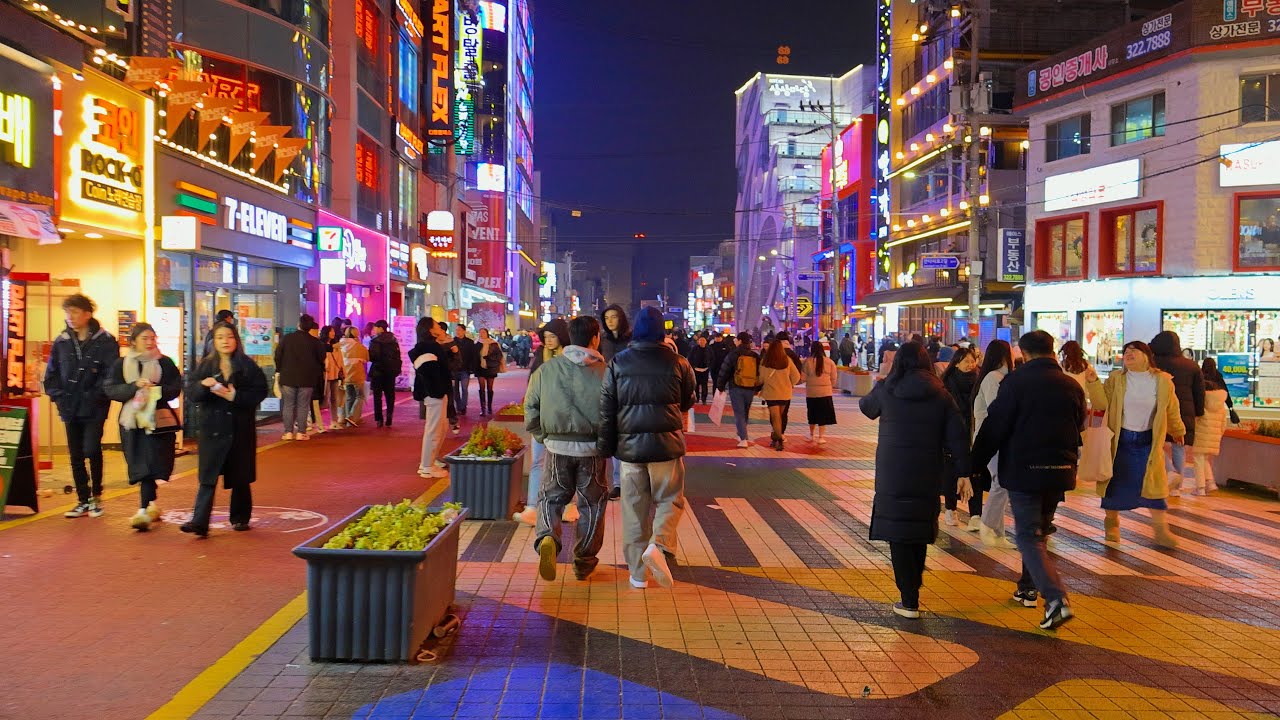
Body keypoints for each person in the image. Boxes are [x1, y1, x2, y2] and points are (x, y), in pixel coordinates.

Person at [971, 330, 1086, 630]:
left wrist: (973, 465)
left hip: (1025, 470)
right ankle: (1028, 588)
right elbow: (1079, 426)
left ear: (1023, 353)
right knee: (1040, 533)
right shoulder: (1071, 385)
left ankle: (1056, 598)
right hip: (1060, 471)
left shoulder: (1015, 383)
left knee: (1028, 536)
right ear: (1052, 350)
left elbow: (994, 426)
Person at [859, 342, 971, 619]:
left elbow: (867, 408)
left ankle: (908, 598)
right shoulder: (940, 393)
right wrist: (964, 472)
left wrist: (880, 384)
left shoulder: (888, 388)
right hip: (927, 471)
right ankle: (913, 591)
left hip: (892, 472)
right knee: (918, 530)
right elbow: (958, 436)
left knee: (898, 533)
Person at [600, 307, 696, 589]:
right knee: (670, 499)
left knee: (633, 508)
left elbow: (607, 408)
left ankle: (638, 574)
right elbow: (687, 400)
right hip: (666, 446)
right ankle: (660, 544)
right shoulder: (678, 362)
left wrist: (606, 447)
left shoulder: (618, 363)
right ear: (661, 332)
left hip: (630, 450)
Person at [526, 316, 610, 581]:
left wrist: (543, 436)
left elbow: (531, 407)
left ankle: (548, 537)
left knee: (550, 498)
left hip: (556, 447)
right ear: (595, 338)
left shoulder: (546, 370)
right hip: (592, 449)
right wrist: (607, 443)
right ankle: (584, 561)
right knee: (592, 505)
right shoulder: (606, 372)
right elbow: (614, 412)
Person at [1082, 340, 1185, 549]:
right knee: (1114, 485)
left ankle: (1161, 531)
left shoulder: (1163, 381)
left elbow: (1172, 408)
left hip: (1148, 443)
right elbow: (1102, 404)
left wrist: (1178, 430)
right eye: (1126, 351)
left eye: (1133, 350)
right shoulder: (1117, 378)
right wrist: (1093, 382)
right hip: (1120, 441)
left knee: (1154, 487)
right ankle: (1111, 523)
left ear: (1146, 355)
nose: (1128, 353)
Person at [182, 322, 269, 537]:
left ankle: (240, 518)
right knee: (207, 477)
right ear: (213, 341)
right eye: (220, 337)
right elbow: (191, 393)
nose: (225, 341)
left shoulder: (247, 365)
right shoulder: (205, 365)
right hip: (212, 428)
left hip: (240, 428)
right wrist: (203, 386)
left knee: (240, 476)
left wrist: (235, 396)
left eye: (229, 337)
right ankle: (199, 521)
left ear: (236, 339)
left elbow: (260, 391)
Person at [46, 294, 120, 519]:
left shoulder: (105, 341)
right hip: (69, 406)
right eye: (67, 312)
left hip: (95, 406)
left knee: (91, 448)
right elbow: (51, 374)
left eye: (75, 312)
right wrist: (59, 397)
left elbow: (111, 374)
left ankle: (96, 496)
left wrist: (96, 395)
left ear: (87, 314)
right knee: (75, 454)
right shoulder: (61, 342)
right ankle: (82, 500)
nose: (70, 316)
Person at [103, 323, 181, 531]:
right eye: (144, 338)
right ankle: (149, 503)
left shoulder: (164, 362)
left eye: (152, 338)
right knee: (140, 463)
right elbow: (110, 389)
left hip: (158, 421)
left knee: (150, 463)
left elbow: (175, 388)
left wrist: (157, 390)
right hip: (131, 421)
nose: (149, 342)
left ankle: (144, 508)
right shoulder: (121, 364)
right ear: (133, 341)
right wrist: (133, 387)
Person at [514, 318, 572, 526]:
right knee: (538, 462)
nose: (548, 341)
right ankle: (532, 506)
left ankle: (565, 506)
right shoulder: (540, 357)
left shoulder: (570, 358)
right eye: (546, 337)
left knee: (563, 465)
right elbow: (531, 389)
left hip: (563, 420)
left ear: (562, 337)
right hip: (541, 418)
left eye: (552, 336)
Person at [1150, 331, 1205, 497]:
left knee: (1153, 443)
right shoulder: (1191, 366)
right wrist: (1198, 412)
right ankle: (1177, 486)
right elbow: (1199, 392)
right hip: (1185, 411)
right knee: (1179, 445)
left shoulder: (1153, 364)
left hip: (1159, 409)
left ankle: (1170, 471)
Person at [974, 340, 1016, 549]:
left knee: (999, 481)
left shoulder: (1003, 377)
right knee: (1001, 482)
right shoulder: (993, 378)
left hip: (998, 437)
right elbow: (995, 410)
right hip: (992, 437)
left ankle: (998, 534)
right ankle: (987, 524)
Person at [940, 346, 981, 528]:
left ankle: (976, 514)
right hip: (952, 435)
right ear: (956, 363)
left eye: (972, 361)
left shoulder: (979, 382)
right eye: (966, 361)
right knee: (952, 471)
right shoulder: (946, 383)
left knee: (974, 472)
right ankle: (951, 509)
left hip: (972, 432)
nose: (970, 365)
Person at [410, 318, 452, 479]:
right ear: (430, 330)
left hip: (436, 393)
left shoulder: (430, 346)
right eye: (436, 326)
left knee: (440, 427)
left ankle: (430, 461)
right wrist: (438, 391)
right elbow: (430, 373)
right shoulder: (428, 348)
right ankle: (427, 465)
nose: (440, 328)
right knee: (434, 429)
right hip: (434, 394)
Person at [274, 314, 325, 440]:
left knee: (288, 405)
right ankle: (301, 432)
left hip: (288, 377)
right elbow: (321, 359)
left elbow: (278, 355)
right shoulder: (315, 342)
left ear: (299, 324)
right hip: (307, 378)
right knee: (303, 405)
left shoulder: (287, 338)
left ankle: (288, 432)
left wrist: (279, 369)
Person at [717, 332, 762, 449]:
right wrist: (758, 388)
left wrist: (720, 386)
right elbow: (759, 373)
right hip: (750, 387)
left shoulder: (733, 354)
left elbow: (725, 370)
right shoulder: (755, 356)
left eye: (737, 339)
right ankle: (741, 433)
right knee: (745, 411)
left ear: (740, 341)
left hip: (736, 387)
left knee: (739, 413)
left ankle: (743, 438)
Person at [759, 337, 802, 451]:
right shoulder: (787, 360)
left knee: (775, 416)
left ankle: (778, 439)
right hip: (785, 393)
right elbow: (796, 376)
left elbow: (761, 378)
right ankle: (777, 437)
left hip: (771, 393)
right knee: (780, 416)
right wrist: (789, 384)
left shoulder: (765, 361)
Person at [1191, 378, 1229, 495]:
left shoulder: (1201, 403)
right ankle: (1210, 483)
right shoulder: (1220, 406)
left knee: (1198, 459)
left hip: (1200, 435)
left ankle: (1200, 487)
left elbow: (1196, 419)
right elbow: (1223, 424)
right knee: (1204, 459)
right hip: (1214, 436)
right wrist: (1219, 434)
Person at [367, 319, 402, 428]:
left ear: (380, 328)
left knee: (377, 396)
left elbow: (373, 356)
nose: (374, 329)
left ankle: (379, 419)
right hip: (390, 370)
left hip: (378, 370)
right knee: (390, 395)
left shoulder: (375, 341)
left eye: (375, 327)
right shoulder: (393, 340)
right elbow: (397, 355)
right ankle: (389, 415)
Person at [803, 340, 837, 444]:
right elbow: (834, 378)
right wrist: (829, 386)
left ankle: (811, 434)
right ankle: (821, 437)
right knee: (823, 415)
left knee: (812, 414)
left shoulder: (807, 362)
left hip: (811, 392)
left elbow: (803, 377)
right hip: (825, 392)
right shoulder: (830, 362)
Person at [338, 326, 369, 426]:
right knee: (360, 396)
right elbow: (366, 358)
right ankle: (352, 417)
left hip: (345, 375)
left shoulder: (340, 345)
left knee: (349, 397)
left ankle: (347, 418)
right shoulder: (359, 346)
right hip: (357, 375)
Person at [319, 325, 346, 430]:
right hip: (324, 375)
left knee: (334, 398)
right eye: (331, 331)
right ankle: (315, 420)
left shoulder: (336, 346)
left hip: (335, 374)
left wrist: (343, 373)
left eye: (333, 331)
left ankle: (334, 421)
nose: (333, 333)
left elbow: (340, 360)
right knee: (323, 399)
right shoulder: (321, 345)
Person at [450, 324, 478, 416]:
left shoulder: (470, 342)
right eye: (456, 330)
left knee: (464, 389)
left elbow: (473, 356)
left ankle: (463, 407)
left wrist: (472, 368)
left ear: (464, 331)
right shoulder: (452, 342)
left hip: (465, 369)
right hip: (454, 370)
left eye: (459, 330)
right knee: (455, 390)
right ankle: (458, 407)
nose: (458, 332)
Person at [476, 328, 503, 416]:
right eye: (480, 332)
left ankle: (489, 407)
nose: (481, 334)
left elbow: (499, 356)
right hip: (480, 368)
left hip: (491, 367)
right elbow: (474, 356)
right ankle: (483, 408)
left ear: (487, 333)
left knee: (490, 388)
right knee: (481, 388)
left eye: (483, 332)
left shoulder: (493, 343)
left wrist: (489, 358)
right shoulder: (477, 343)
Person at [688, 334, 712, 404]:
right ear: (698, 341)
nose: (702, 342)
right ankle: (697, 398)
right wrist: (693, 366)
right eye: (700, 340)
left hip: (705, 370)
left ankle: (704, 399)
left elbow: (712, 358)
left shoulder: (709, 349)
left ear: (706, 341)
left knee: (704, 385)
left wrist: (709, 366)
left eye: (703, 340)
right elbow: (690, 358)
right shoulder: (694, 349)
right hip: (696, 369)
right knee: (696, 385)